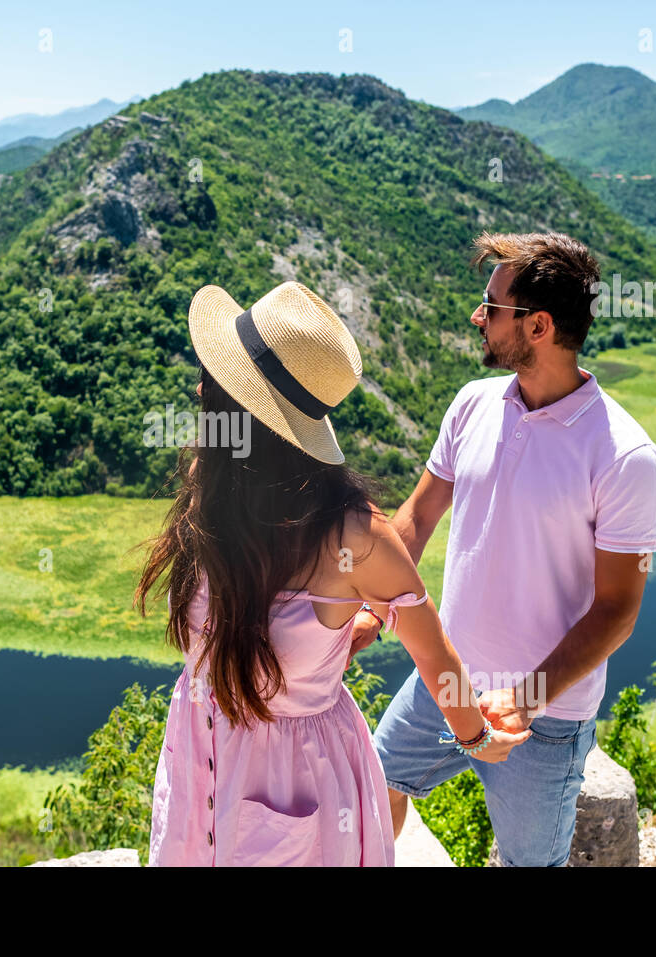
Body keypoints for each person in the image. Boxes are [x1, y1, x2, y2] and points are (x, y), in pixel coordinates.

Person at [139, 279, 530, 866]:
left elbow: (433, 650)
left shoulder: (358, 537)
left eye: (216, 381)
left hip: (295, 771)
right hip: (200, 742)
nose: (200, 385)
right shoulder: (216, 480)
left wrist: (476, 736)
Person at [359, 231, 656, 866]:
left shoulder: (625, 456)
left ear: (539, 326)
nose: (478, 316)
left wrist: (524, 698)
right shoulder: (472, 405)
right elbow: (416, 518)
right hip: (447, 676)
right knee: (371, 783)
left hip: (546, 717)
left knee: (530, 864)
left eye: (491, 305)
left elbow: (617, 611)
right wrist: (368, 607)